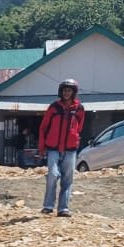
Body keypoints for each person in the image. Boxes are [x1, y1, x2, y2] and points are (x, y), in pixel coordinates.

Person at [38, 78, 85, 217]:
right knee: (52, 175)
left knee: (67, 178)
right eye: (64, 90)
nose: (66, 93)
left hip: (70, 149)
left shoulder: (79, 108)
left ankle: (63, 208)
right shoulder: (54, 107)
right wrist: (42, 147)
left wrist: (74, 138)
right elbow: (44, 127)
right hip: (53, 148)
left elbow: (80, 127)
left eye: (69, 90)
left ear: (73, 92)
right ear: (61, 91)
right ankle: (48, 205)